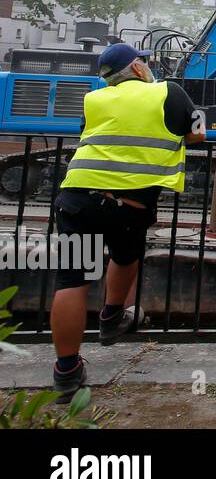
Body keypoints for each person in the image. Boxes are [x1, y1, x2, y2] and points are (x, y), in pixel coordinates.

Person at [48, 44, 205, 402]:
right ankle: (111, 316)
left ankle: (66, 371)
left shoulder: (95, 99)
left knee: (71, 279)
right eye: (145, 62)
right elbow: (197, 132)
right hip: (129, 204)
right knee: (124, 254)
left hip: (77, 198)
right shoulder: (167, 91)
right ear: (137, 67)